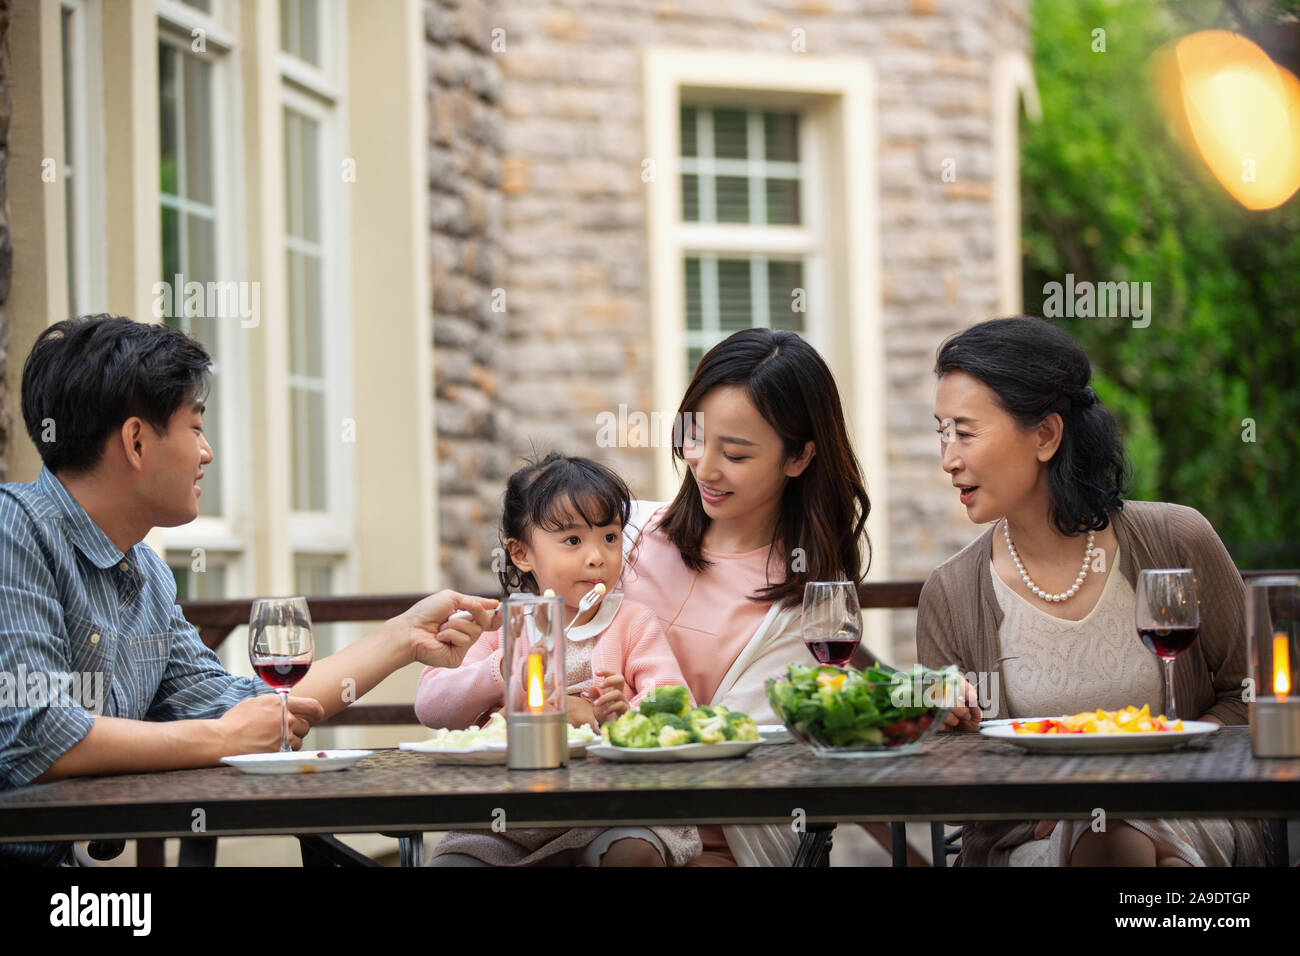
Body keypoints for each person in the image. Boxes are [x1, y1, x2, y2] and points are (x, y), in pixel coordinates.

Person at [0, 316, 497, 866]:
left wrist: (405, 637)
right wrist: (222, 738)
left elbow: (240, 709)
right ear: (136, 441)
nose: (206, 452)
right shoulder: (14, 530)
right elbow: (38, 732)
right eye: (195, 427)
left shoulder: (146, 574)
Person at [917, 316, 1269, 866]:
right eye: (942, 432)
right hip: (1030, 836)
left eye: (965, 432)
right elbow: (951, 781)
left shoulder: (1176, 541)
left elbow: (1253, 698)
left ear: (1046, 435)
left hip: (1187, 809)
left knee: (1120, 837)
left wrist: (1137, 784)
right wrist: (944, 720)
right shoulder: (951, 593)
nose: (948, 459)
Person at [619, 327, 873, 866]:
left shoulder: (805, 602)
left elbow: (737, 754)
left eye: (734, 454)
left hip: (714, 843)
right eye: (694, 437)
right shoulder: (622, 537)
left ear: (798, 457)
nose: (705, 467)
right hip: (584, 817)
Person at [415, 453, 699, 866]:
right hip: (509, 823)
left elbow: (679, 709)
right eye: (573, 541)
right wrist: (502, 670)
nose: (597, 556)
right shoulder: (500, 626)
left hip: (612, 814)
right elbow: (431, 705)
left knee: (633, 853)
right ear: (521, 553)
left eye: (610, 537)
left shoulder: (631, 622)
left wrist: (617, 717)